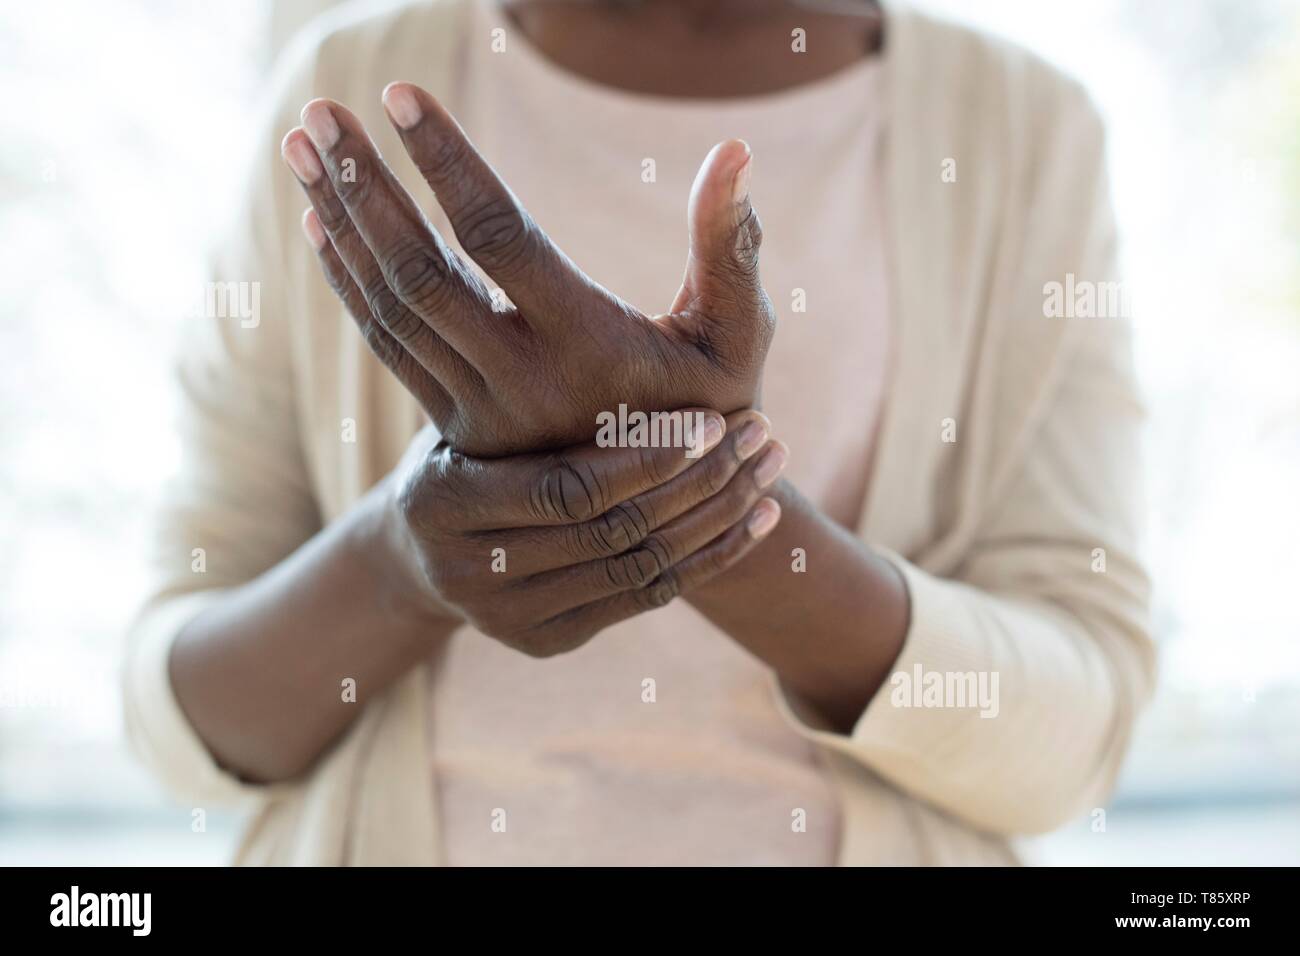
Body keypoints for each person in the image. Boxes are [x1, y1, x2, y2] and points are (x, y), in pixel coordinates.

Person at [125, 0, 1155, 865]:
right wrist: (402, 558)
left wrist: (712, 511)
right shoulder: (347, 81)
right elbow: (184, 724)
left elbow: (1074, 735)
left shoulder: (1018, 128)